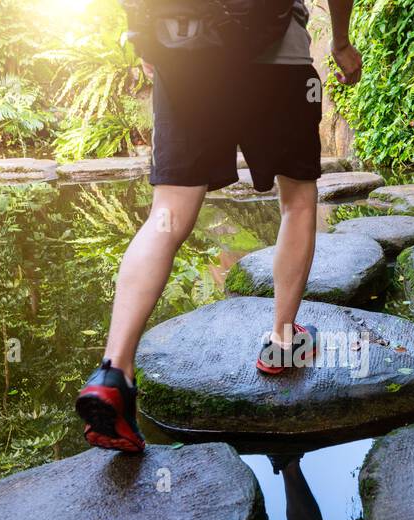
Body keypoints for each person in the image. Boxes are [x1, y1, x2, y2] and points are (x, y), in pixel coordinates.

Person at [76, 0, 363, 453]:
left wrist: (146, 36)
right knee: (298, 202)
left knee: (167, 215)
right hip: (277, 61)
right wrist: (341, 42)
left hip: (186, 56)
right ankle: (284, 340)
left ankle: (114, 372)